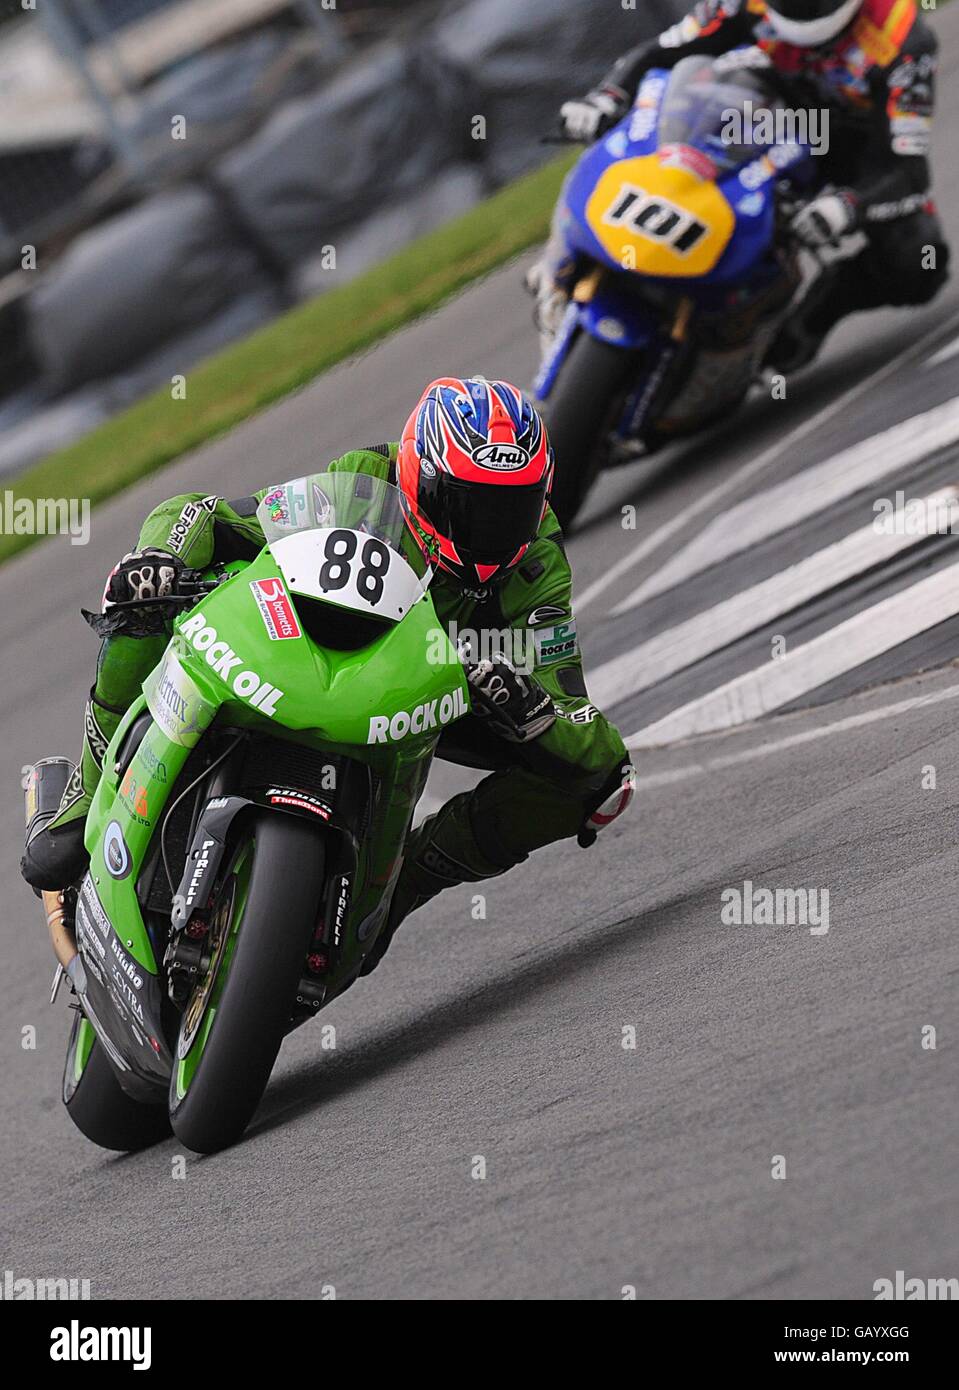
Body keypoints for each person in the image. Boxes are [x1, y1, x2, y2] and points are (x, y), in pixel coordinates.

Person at [21, 378, 634, 970]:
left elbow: (576, 712)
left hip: (430, 689)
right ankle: (86, 794)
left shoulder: (537, 565)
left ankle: (407, 882)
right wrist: (163, 555)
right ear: (420, 479)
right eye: (469, 506)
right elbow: (204, 515)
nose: (491, 531)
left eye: (514, 509)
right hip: (305, 641)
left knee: (597, 782)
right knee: (142, 595)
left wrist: (532, 709)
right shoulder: (365, 477)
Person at [542, 0, 949, 368]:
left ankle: (813, 315)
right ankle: (567, 258)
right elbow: (662, 52)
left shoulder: (903, 37)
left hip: (841, 145)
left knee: (920, 257)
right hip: (744, 109)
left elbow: (907, 167)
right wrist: (607, 96)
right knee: (644, 121)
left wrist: (848, 203)